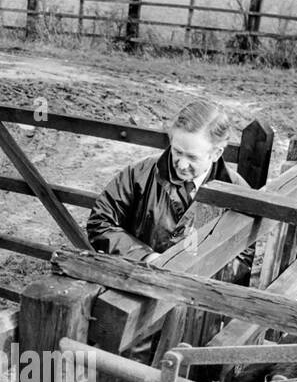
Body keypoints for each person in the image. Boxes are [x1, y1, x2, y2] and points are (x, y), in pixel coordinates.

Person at [86, 99, 251, 276]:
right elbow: (101, 222)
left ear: (216, 153)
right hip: (138, 284)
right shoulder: (139, 174)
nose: (181, 164)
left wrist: (199, 274)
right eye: (177, 151)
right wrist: (144, 257)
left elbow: (243, 254)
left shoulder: (238, 191)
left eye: (192, 158)